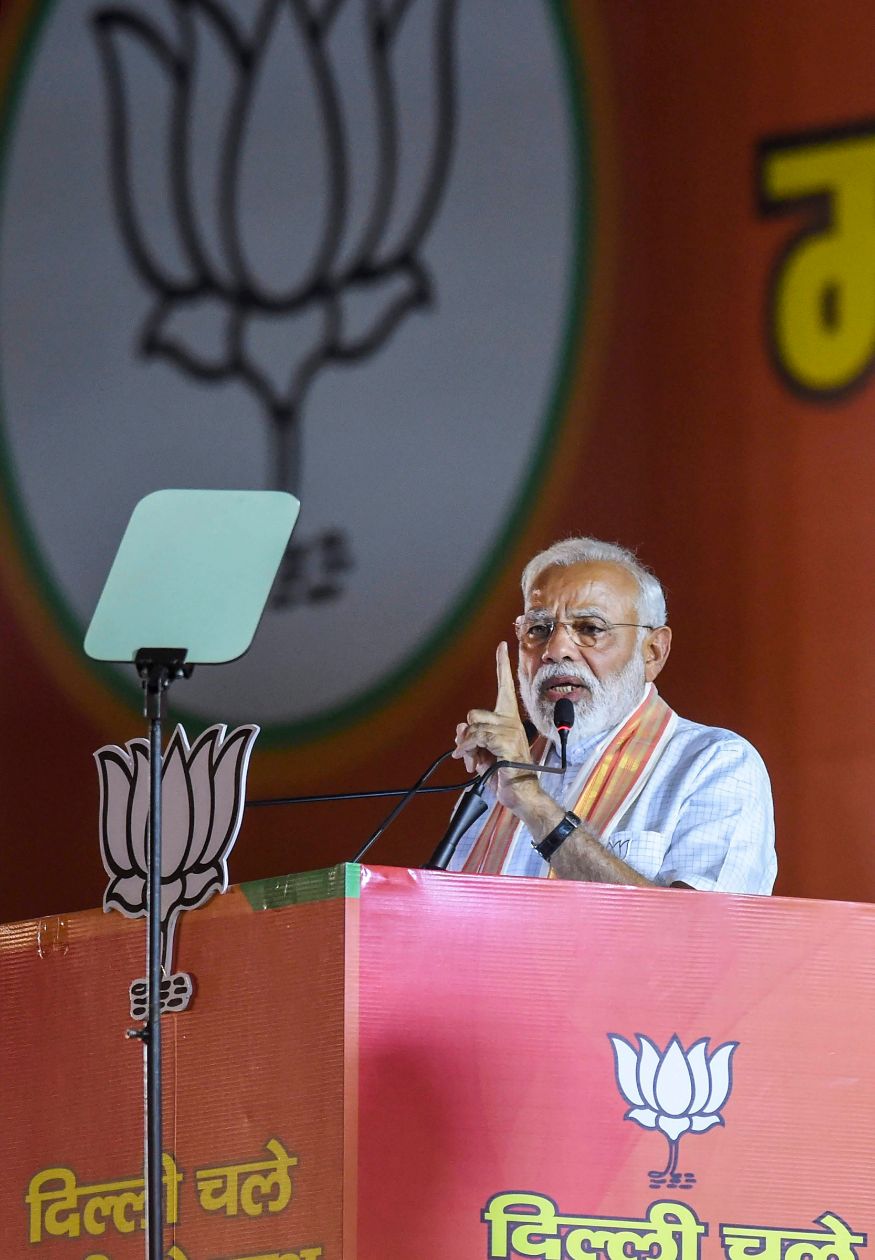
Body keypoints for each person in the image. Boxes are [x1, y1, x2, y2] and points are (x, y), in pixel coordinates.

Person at [449, 537, 776, 893]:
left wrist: (533, 804)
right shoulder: (496, 779)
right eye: (539, 629)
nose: (556, 650)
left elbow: (696, 937)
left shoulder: (715, 764)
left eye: (590, 628)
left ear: (652, 652)